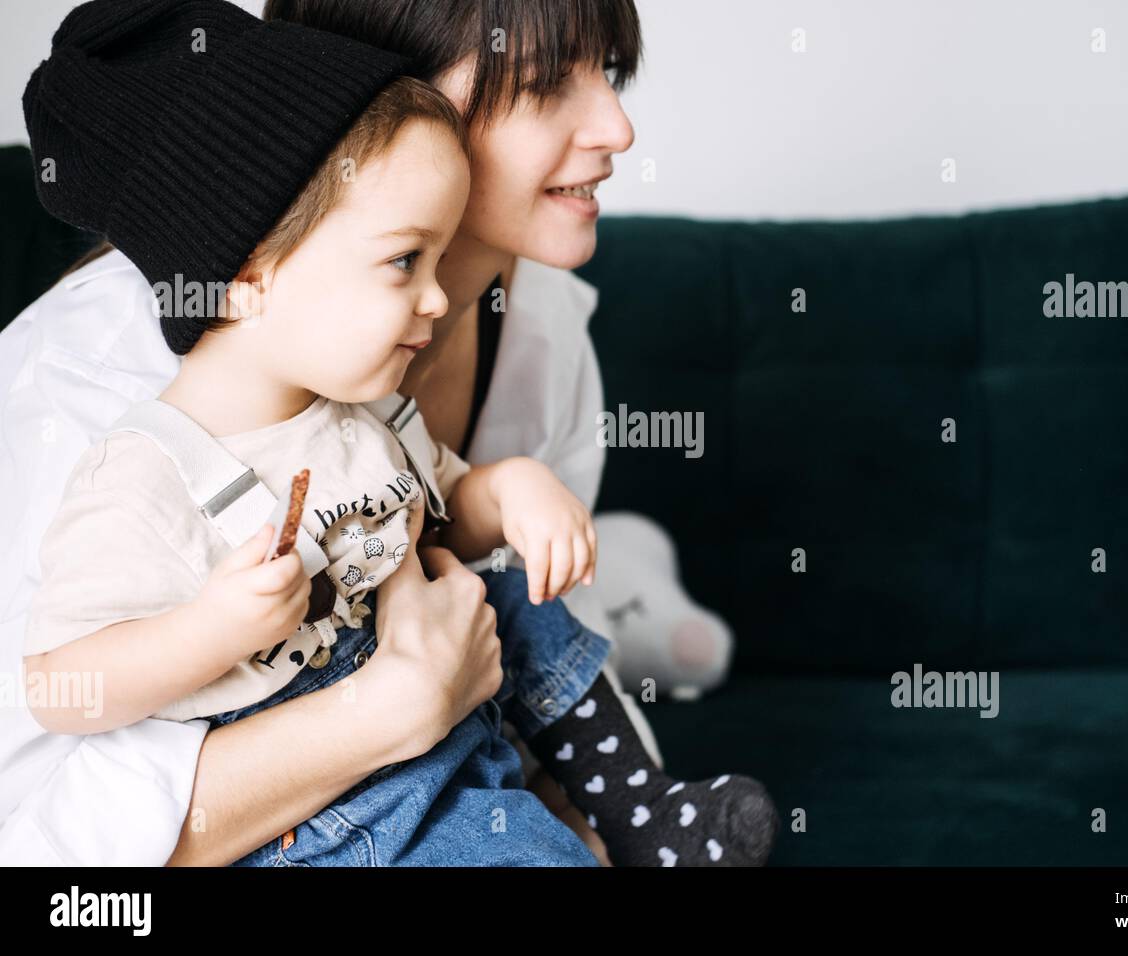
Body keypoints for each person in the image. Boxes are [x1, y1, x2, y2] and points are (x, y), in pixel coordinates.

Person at [3, 0, 777, 867]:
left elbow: (535, 660)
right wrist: (390, 711)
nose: (619, 126)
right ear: (384, 85)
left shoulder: (545, 325)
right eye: (549, 81)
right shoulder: (88, 389)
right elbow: (44, 840)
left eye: (613, 72)